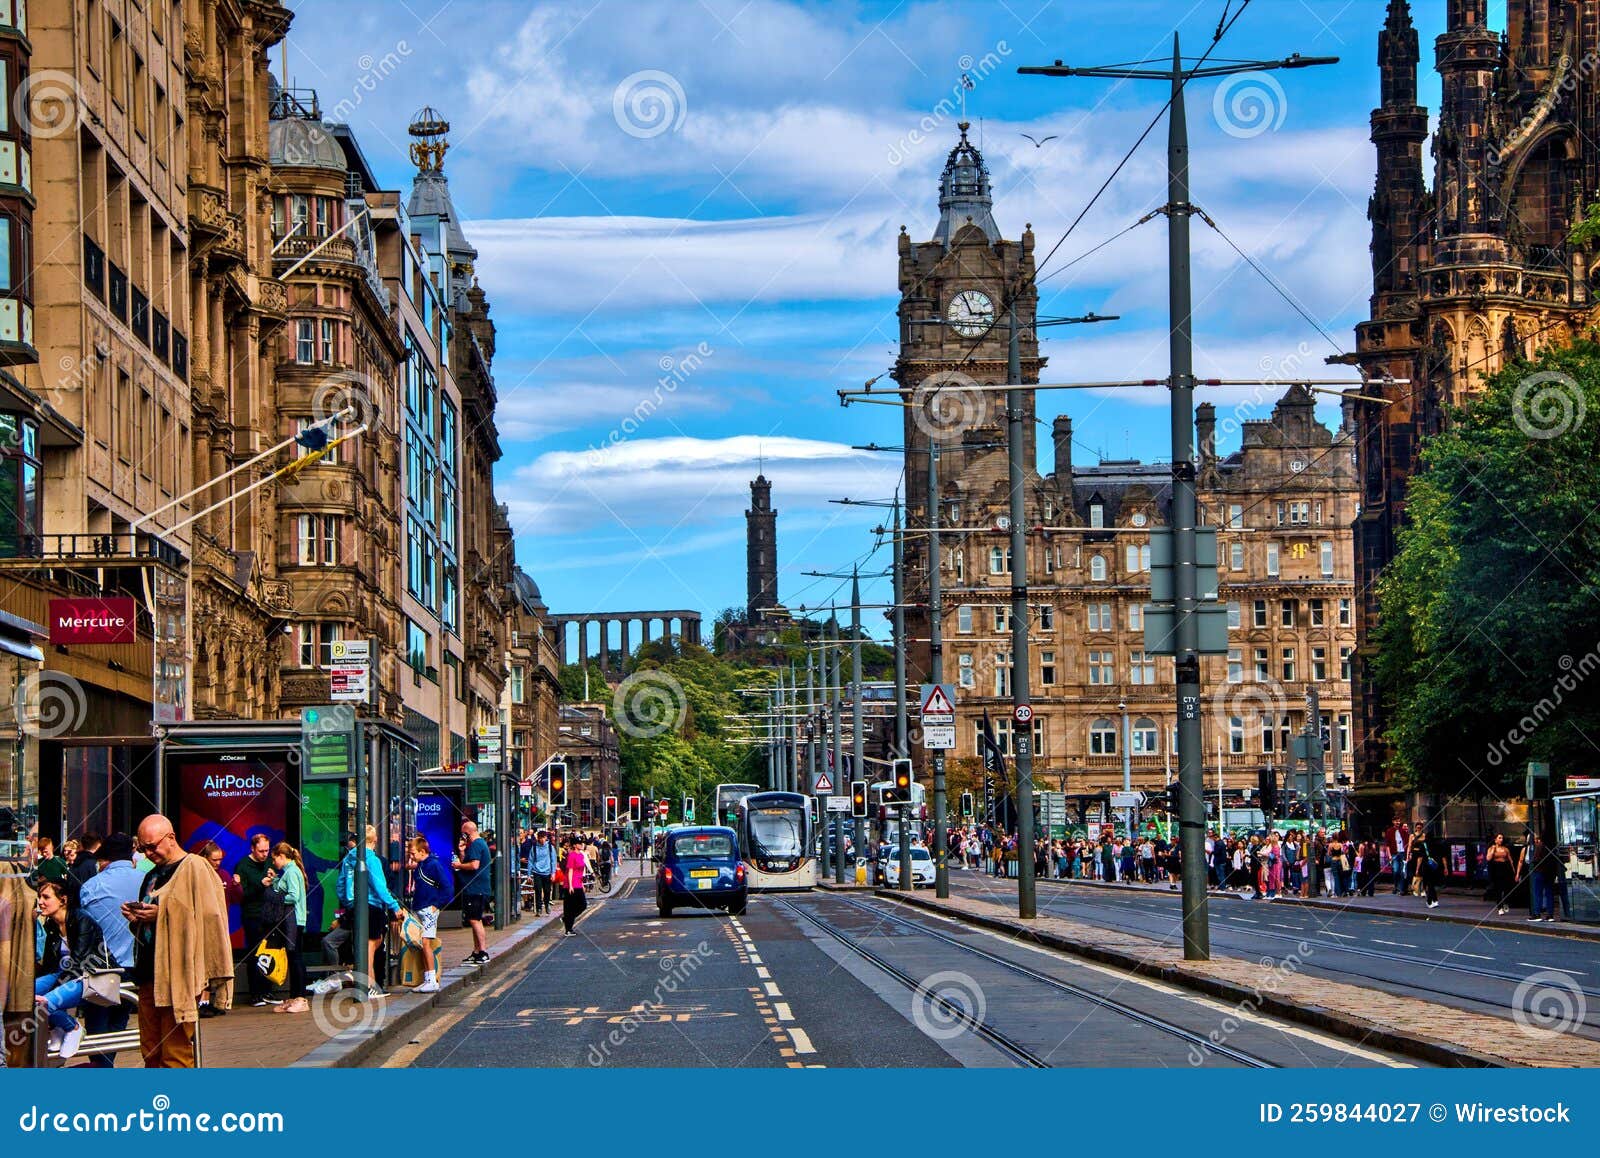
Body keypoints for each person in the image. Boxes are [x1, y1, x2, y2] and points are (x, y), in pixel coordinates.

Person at [124, 815, 232, 1068]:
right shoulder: (151, 876)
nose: (148, 853)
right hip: (149, 972)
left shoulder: (194, 866)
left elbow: (209, 916)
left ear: (171, 837)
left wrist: (161, 913)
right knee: (151, 1052)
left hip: (178, 975)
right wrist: (137, 917)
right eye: (143, 848)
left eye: (152, 846)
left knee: (175, 1053)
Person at [74, 833, 140, 1067]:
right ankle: (104, 1070)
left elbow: (86, 927)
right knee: (119, 1023)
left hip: (100, 966)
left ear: (105, 859)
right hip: (134, 965)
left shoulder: (93, 885)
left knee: (98, 1028)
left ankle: (102, 1072)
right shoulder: (146, 880)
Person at [34, 880, 109, 1059]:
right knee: (24, 994)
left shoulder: (82, 919)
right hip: (65, 974)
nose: (40, 902)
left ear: (63, 900)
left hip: (90, 974)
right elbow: (49, 965)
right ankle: (58, 1027)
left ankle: (73, 1027)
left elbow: (79, 962)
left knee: (43, 1002)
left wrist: (52, 991)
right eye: (39, 897)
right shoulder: (51, 925)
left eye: (46, 897)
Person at [338, 825, 402, 997]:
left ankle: (365, 985)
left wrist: (349, 904)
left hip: (355, 906)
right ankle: (370, 986)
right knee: (371, 945)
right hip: (371, 906)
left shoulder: (348, 859)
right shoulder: (372, 860)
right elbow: (380, 886)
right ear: (375, 840)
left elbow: (341, 885)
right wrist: (394, 906)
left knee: (368, 944)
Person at [265, 842, 309, 1014]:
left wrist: (277, 899)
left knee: (296, 957)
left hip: (294, 920)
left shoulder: (291, 872)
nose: (274, 862)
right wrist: (276, 880)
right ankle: (294, 997)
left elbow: (293, 895)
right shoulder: (290, 871)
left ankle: (300, 998)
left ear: (282, 857)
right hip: (294, 920)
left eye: (275, 859)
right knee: (293, 957)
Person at [233, 833, 273, 1006]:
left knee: (269, 953)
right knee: (255, 953)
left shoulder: (269, 863)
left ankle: (267, 991)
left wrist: (274, 879)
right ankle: (255, 993)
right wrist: (260, 885)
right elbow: (241, 895)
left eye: (267, 850)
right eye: (261, 851)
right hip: (252, 915)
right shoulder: (243, 866)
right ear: (252, 849)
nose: (265, 854)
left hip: (269, 914)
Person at [408, 836, 449, 992]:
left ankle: (432, 980)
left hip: (429, 910)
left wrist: (436, 905)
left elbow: (447, 888)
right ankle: (427, 978)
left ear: (422, 851)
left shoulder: (433, 865)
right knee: (422, 944)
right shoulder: (420, 865)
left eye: (413, 853)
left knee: (426, 944)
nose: (411, 857)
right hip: (420, 908)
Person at [453, 820, 493, 964]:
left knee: (475, 920)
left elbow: (474, 865)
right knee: (473, 919)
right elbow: (469, 862)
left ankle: (483, 951)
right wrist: (462, 851)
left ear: (467, 833)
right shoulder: (478, 844)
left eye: (464, 834)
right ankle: (476, 951)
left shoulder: (476, 844)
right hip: (476, 888)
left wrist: (458, 865)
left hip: (477, 888)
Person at [1519, 834, 1558, 922]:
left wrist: (1533, 863)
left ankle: (1537, 914)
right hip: (1550, 872)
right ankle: (1550, 915)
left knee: (1537, 893)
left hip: (1539, 871)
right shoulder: (1553, 846)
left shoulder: (1539, 846)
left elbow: (1535, 859)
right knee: (1549, 893)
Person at [561, 836, 589, 936]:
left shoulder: (581, 855)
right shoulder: (571, 855)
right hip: (571, 884)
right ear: (574, 845)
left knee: (583, 905)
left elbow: (581, 872)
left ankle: (566, 919)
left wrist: (582, 884)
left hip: (578, 883)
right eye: (579, 843)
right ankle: (568, 929)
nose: (581, 845)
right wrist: (570, 885)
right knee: (570, 907)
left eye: (582, 843)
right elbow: (570, 870)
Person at [526, 829, 557, 916]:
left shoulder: (550, 847)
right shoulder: (534, 847)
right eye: (540, 838)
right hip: (537, 872)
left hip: (547, 872)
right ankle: (538, 908)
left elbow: (553, 860)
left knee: (547, 890)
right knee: (538, 891)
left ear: (546, 838)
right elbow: (530, 861)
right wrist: (529, 874)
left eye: (544, 838)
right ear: (538, 838)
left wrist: (553, 873)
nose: (542, 840)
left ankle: (547, 904)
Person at [1484, 833, 1515, 915]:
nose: (1501, 839)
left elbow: (1510, 860)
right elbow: (1488, 858)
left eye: (1502, 838)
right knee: (1498, 889)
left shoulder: (1505, 849)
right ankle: (1499, 907)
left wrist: (1514, 871)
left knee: (1506, 888)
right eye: (1499, 838)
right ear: (1495, 840)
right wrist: (1493, 850)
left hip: (1504, 868)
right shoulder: (1491, 848)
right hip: (1496, 868)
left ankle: (1505, 902)